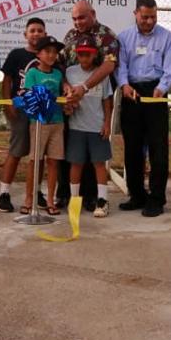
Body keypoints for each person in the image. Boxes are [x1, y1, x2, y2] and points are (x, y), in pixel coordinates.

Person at [116, 0, 171, 217]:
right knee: (132, 147)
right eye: (145, 17)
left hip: (156, 92)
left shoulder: (168, 38)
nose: (149, 21)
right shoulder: (124, 37)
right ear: (136, 14)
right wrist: (124, 85)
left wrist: (162, 87)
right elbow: (121, 64)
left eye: (153, 17)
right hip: (131, 93)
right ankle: (136, 195)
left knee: (158, 148)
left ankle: (157, 198)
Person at [59, 0, 121, 210]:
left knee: (95, 159)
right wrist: (67, 86)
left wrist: (84, 87)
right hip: (71, 105)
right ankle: (66, 195)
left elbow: (109, 65)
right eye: (75, 18)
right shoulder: (69, 36)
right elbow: (61, 65)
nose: (78, 22)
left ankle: (94, 198)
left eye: (82, 17)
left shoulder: (107, 36)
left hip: (93, 103)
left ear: (93, 14)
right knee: (69, 154)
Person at [0, 17, 47, 214]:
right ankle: (3, 192)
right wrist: (8, 103)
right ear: (25, 34)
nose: (36, 33)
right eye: (32, 30)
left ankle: (36, 191)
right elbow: (7, 80)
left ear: (45, 34)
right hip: (20, 108)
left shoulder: (49, 55)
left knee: (39, 153)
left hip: (41, 111)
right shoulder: (17, 55)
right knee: (17, 150)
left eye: (40, 30)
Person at [63, 36, 114, 217]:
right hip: (76, 126)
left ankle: (102, 200)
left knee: (99, 164)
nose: (84, 58)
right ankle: (74, 200)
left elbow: (107, 101)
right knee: (76, 164)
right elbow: (65, 94)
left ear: (95, 55)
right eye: (81, 54)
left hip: (96, 126)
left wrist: (107, 122)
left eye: (88, 54)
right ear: (76, 54)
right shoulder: (70, 72)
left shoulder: (101, 74)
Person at [23, 35, 67, 214]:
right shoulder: (32, 74)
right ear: (38, 54)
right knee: (35, 161)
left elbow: (61, 95)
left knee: (53, 162)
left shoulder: (58, 74)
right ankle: (29, 198)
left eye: (54, 52)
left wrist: (67, 101)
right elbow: (30, 96)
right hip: (38, 123)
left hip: (57, 123)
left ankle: (50, 199)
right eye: (47, 51)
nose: (51, 55)